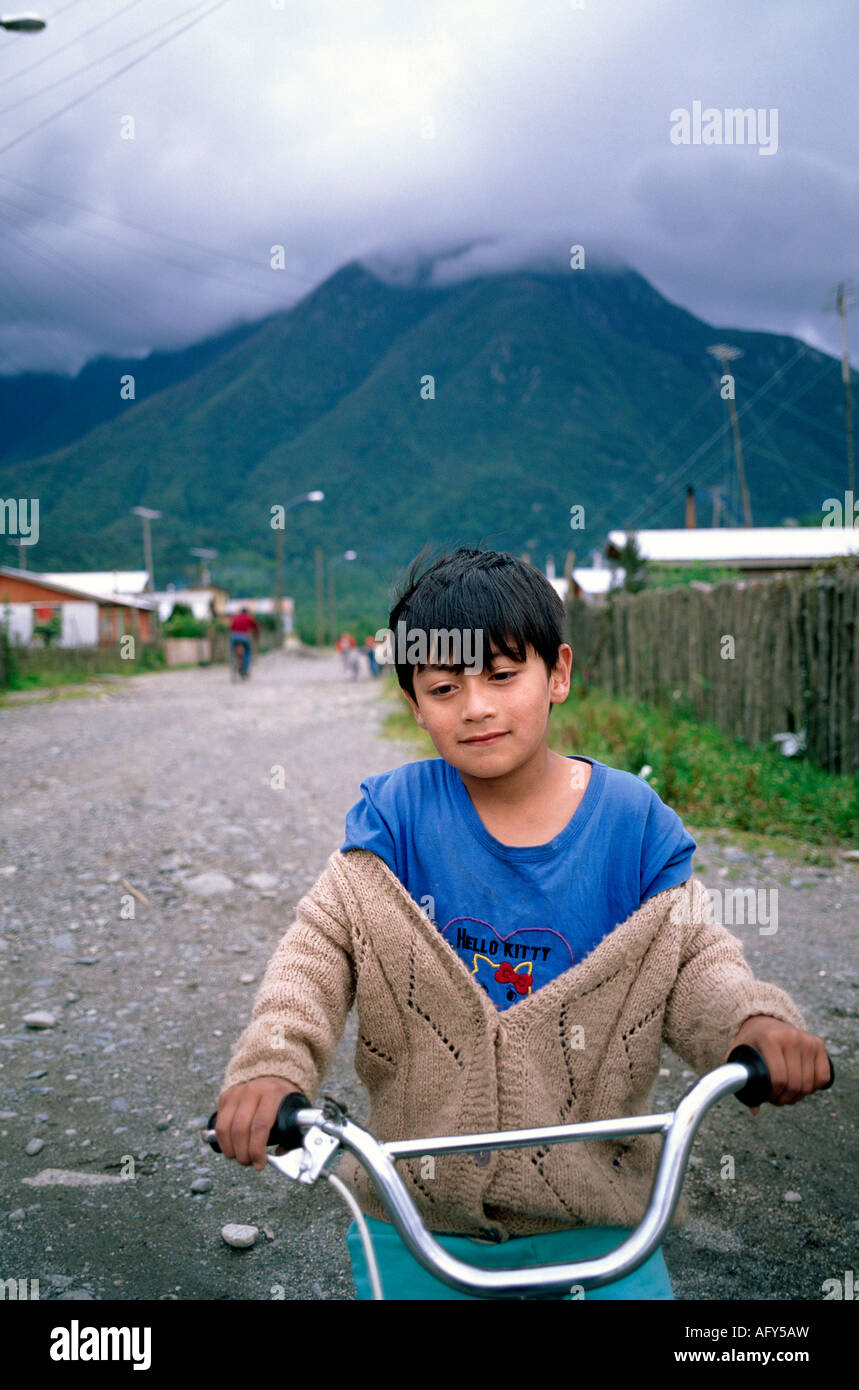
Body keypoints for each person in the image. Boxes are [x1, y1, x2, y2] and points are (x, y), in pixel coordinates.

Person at [214, 547, 831, 1301]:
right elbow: (315, 954)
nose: (474, 707)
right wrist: (274, 1064)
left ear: (558, 674)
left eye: (502, 677)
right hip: (413, 1215)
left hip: (603, 1221)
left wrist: (753, 1022)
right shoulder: (392, 821)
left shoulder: (633, 827)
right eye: (443, 687)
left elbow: (697, 961)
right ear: (413, 701)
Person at [230, 607, 260, 676]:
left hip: (234, 636)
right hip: (244, 637)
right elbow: (256, 626)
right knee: (247, 652)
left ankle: (234, 659)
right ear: (246, 612)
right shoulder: (249, 618)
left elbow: (231, 627)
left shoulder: (235, 617)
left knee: (233, 649)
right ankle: (245, 669)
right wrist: (256, 635)